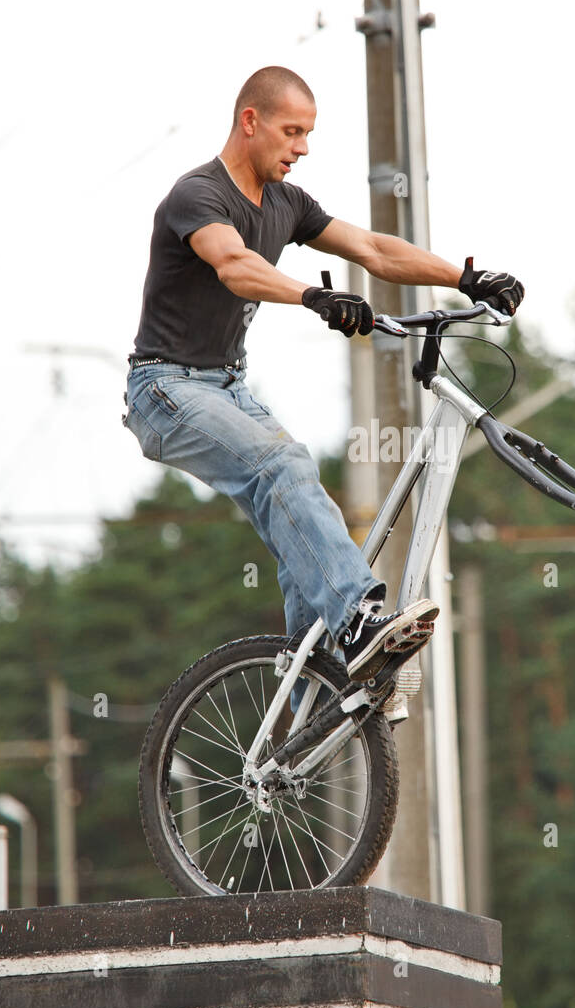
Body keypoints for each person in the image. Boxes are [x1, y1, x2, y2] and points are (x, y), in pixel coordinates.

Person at [123, 66, 524, 686]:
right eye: (291, 132)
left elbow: (372, 249)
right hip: (165, 390)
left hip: (226, 386)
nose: (302, 148)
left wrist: (465, 279)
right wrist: (313, 296)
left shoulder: (287, 204)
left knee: (299, 495)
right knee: (279, 466)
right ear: (249, 121)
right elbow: (234, 264)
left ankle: (314, 677)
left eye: (308, 134)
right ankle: (358, 620)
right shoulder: (197, 195)